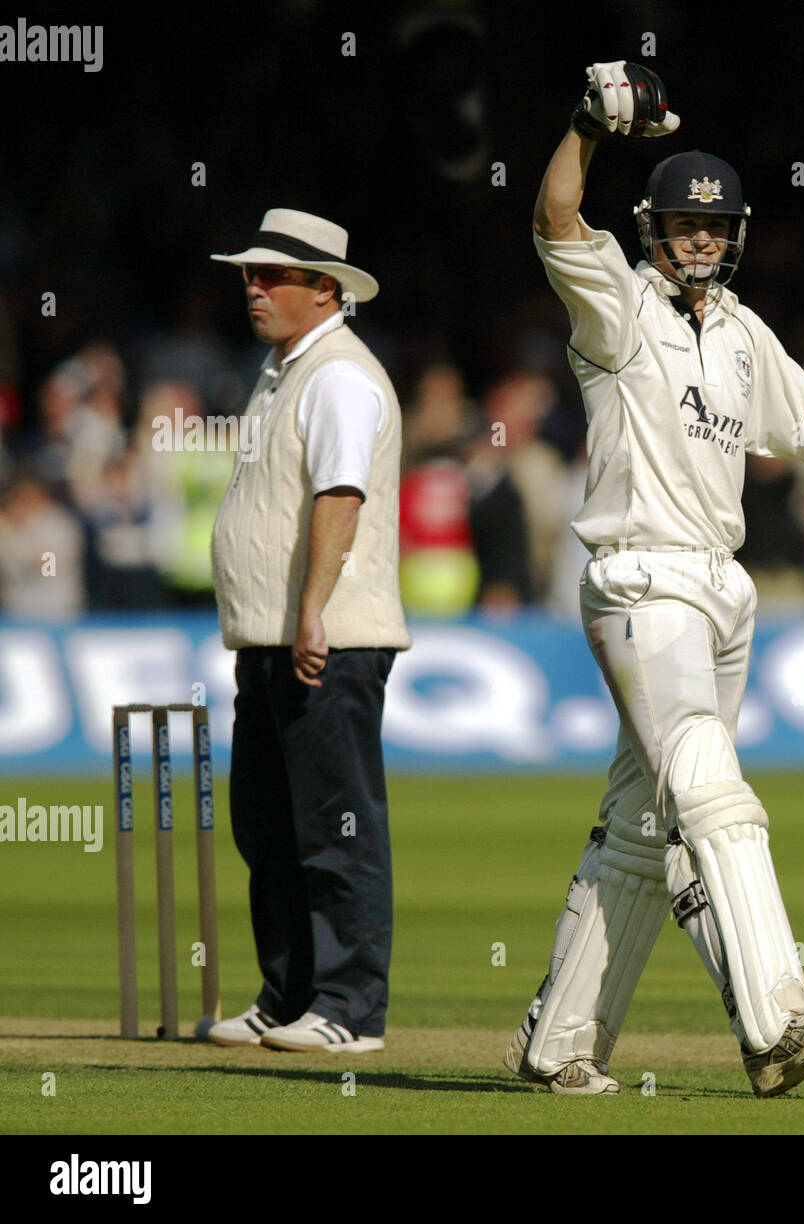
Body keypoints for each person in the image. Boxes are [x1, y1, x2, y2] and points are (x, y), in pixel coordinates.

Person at [506, 62, 804, 1097]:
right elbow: (552, 212)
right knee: (709, 781)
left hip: (720, 592)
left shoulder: (741, 333)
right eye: (683, 225)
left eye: (715, 228)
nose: (701, 242)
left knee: (644, 822)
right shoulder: (616, 309)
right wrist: (587, 125)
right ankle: (777, 1021)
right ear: (653, 229)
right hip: (640, 582)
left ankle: (556, 1047)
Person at [204, 209, 411, 1052]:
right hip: (271, 638)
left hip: (327, 636)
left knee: (337, 824)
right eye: (249, 275)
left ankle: (349, 1011)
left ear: (324, 287)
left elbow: (340, 494)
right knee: (267, 823)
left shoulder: (338, 377)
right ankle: (288, 997)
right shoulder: (285, 372)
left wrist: (313, 610)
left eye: (271, 276)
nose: (253, 288)